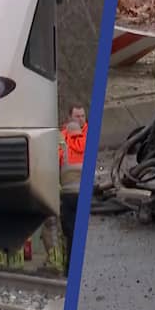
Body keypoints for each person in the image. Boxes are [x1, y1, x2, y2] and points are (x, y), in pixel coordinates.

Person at [59, 106, 87, 269]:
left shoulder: (61, 140)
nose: (80, 119)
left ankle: (70, 267)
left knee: (70, 234)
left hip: (68, 194)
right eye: (78, 116)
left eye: (82, 116)